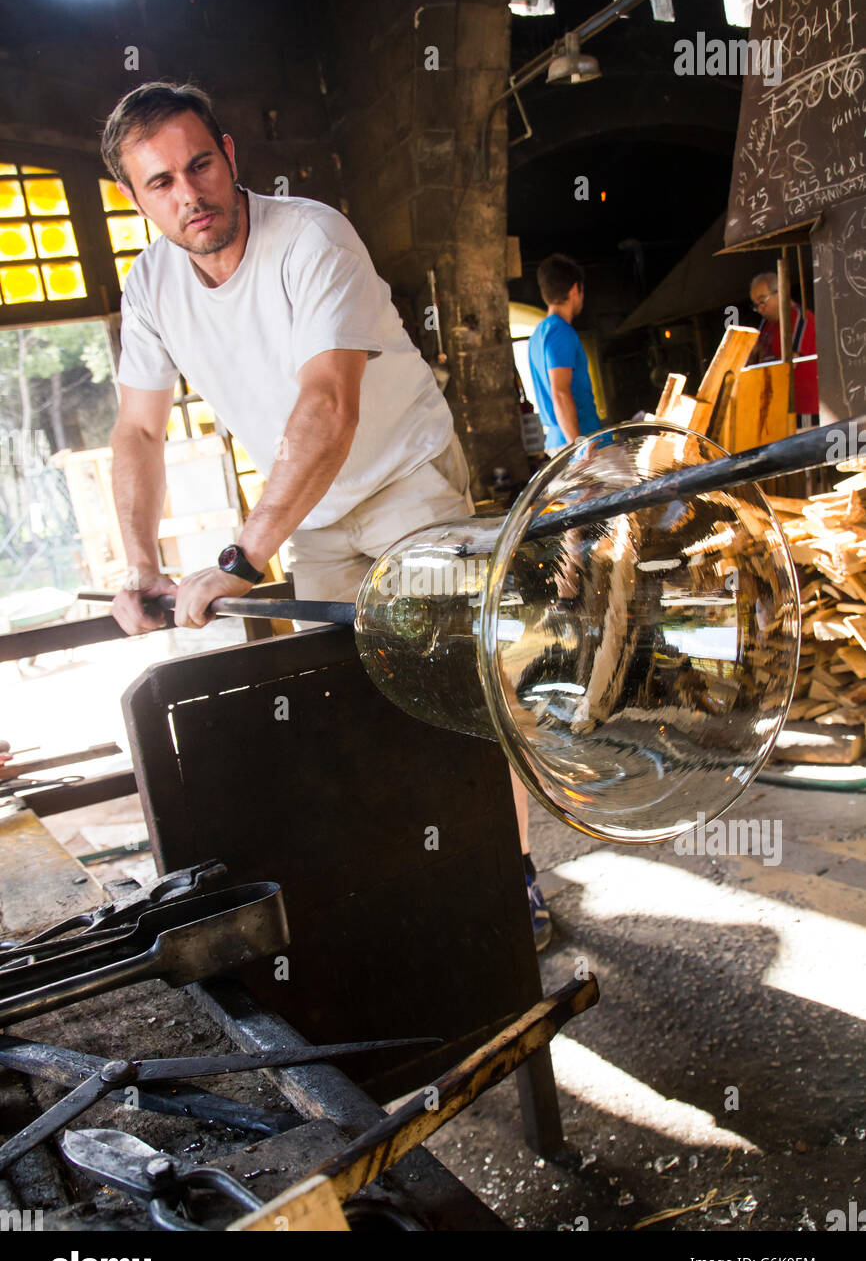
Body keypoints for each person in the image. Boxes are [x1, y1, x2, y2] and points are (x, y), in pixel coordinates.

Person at [102, 81, 551, 949]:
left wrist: (238, 559)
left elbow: (328, 404)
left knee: (458, 686)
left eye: (199, 165)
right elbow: (138, 429)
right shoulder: (152, 285)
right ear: (135, 198)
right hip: (313, 514)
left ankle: (508, 877)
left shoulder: (309, 235)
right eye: (160, 183)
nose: (188, 194)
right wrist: (139, 566)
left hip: (403, 481)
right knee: (348, 703)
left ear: (230, 154)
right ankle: (417, 869)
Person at [527, 254, 601, 450]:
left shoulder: (538, 335)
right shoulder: (560, 331)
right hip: (578, 441)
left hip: (561, 440)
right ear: (575, 289)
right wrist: (579, 446)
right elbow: (560, 392)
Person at [747, 271, 819, 426]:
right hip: (778, 411)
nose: (760, 308)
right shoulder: (765, 326)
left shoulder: (801, 318)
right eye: (755, 304)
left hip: (803, 410)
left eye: (762, 301)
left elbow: (791, 363)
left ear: (781, 292)